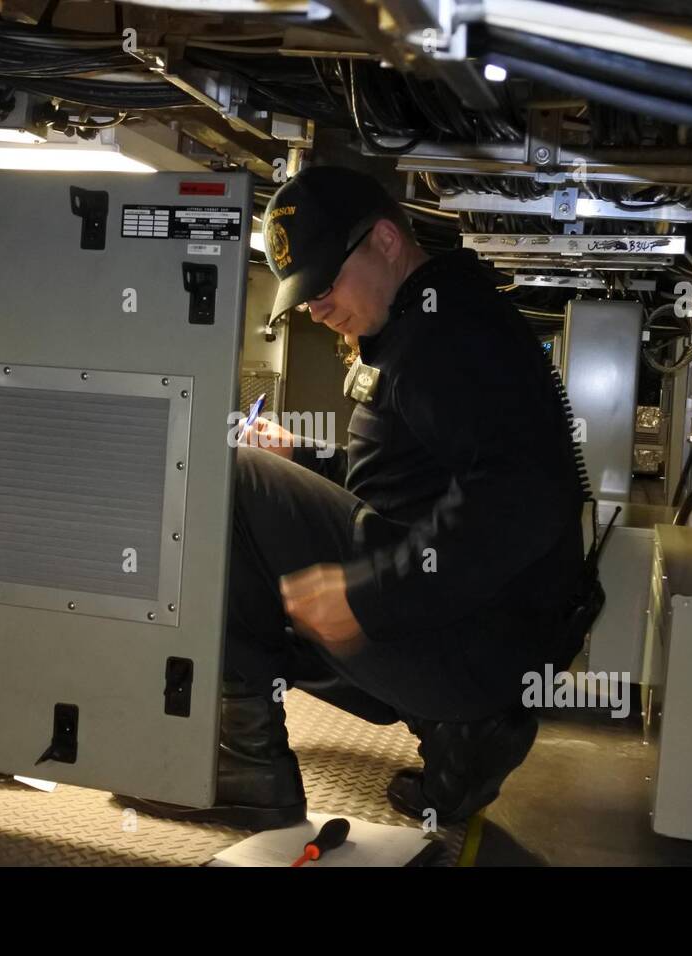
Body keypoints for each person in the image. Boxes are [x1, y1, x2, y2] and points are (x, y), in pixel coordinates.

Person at [115, 165, 588, 831]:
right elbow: (422, 489)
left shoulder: (451, 335)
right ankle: (461, 734)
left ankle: (242, 767)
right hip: (478, 643)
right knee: (275, 569)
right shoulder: (434, 317)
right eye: (305, 293)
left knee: (231, 479)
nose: (315, 306)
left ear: (387, 241)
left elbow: (526, 497)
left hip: (465, 646)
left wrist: (369, 593)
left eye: (325, 282)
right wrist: (310, 461)